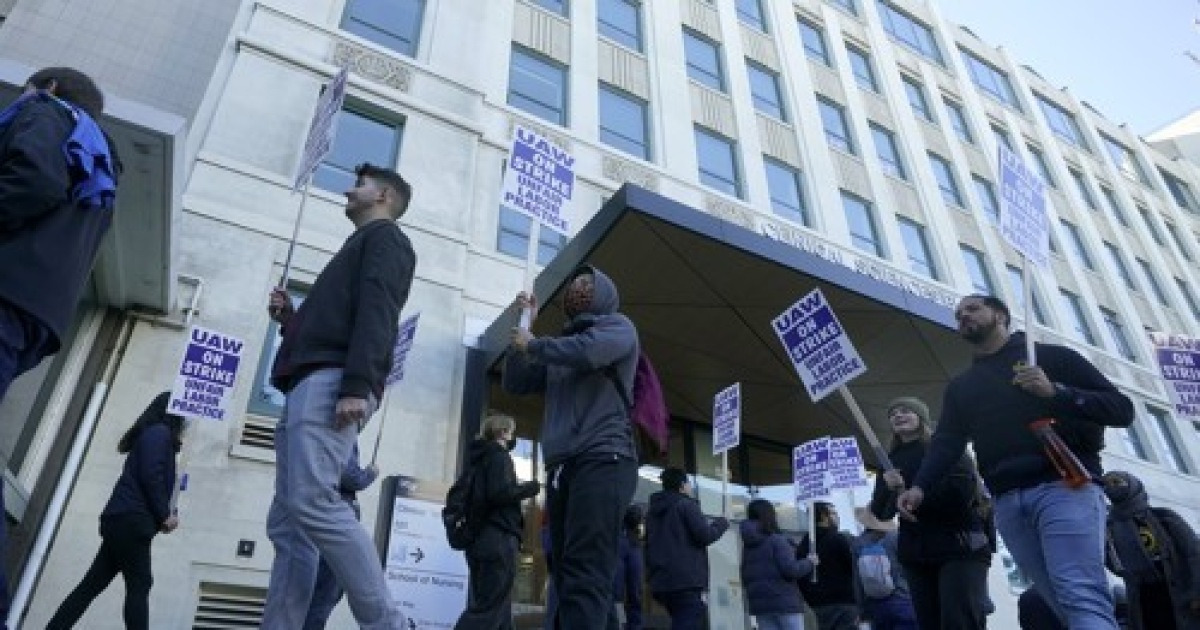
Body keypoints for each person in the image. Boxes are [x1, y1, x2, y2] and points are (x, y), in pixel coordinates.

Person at [896, 294, 1135, 630]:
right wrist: (919, 486)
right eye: (958, 314)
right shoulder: (962, 387)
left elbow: (1122, 410)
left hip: (1065, 488)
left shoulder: (1054, 358)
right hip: (1008, 502)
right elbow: (946, 444)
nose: (963, 316)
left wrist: (1057, 392)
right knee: (1058, 601)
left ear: (1001, 315)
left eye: (973, 309)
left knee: (1079, 593)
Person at [262, 162, 416, 630]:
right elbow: (334, 322)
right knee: (289, 525)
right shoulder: (356, 247)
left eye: (361, 184)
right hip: (311, 384)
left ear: (384, 196)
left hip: (332, 385)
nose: (349, 190)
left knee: (312, 503)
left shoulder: (386, 240)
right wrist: (290, 320)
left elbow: (378, 313)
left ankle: (386, 623)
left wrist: (357, 385)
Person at [0, 66, 117, 625]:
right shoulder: (102, 159)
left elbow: (32, 180)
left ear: (45, 87)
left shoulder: (48, 113)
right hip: (35, 316)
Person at [503, 265, 640, 630]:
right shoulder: (558, 352)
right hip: (564, 466)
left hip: (604, 458)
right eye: (574, 283)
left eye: (586, 284)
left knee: (584, 570)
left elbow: (589, 352)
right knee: (568, 572)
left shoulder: (618, 327)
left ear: (604, 294)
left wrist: (534, 344)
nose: (577, 289)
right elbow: (516, 381)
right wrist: (525, 324)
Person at [46, 392, 183, 629]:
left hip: (122, 521)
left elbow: (153, 477)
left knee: (92, 584)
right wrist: (164, 514)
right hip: (132, 520)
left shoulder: (153, 434)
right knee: (140, 583)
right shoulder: (159, 433)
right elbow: (150, 476)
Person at [869, 397, 990, 630]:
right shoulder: (889, 460)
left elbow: (961, 495)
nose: (898, 416)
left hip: (958, 547)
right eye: (893, 414)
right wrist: (890, 489)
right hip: (917, 553)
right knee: (928, 623)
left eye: (906, 411)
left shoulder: (944, 449)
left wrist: (915, 494)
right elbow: (881, 513)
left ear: (921, 417)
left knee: (958, 621)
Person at [454, 413, 540, 629]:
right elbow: (499, 492)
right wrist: (530, 487)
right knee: (489, 610)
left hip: (479, 539)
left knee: (495, 609)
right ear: (503, 431)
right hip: (498, 538)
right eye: (511, 430)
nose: (513, 436)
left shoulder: (478, 459)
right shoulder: (498, 456)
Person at [1102, 470, 1200, 630]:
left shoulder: (1164, 518)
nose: (1111, 487)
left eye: (1116, 482)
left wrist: (1197, 592)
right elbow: (1113, 563)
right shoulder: (1110, 528)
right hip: (1143, 598)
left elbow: (1193, 553)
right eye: (1107, 484)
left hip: (1179, 590)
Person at [302, 445, 379, 629]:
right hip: (336, 514)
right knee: (325, 594)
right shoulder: (342, 430)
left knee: (313, 594)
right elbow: (350, 477)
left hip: (315, 512)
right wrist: (371, 473)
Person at [644, 467, 729, 630]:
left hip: (661, 580)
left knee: (683, 619)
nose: (690, 487)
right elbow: (705, 535)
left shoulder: (652, 512)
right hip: (686, 580)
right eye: (689, 483)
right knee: (689, 620)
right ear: (682, 485)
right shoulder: (686, 505)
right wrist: (722, 523)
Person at [740, 498, 817, 630]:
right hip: (785, 604)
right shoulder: (777, 541)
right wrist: (809, 562)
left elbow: (745, 576)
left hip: (761, 607)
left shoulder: (747, 547)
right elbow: (791, 570)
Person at [852, 507, 917, 630]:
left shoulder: (858, 544)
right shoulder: (896, 537)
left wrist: (861, 610)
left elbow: (858, 581)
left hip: (876, 606)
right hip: (904, 599)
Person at [798, 502, 859, 630]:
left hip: (818, 604)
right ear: (824, 516)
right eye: (833, 513)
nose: (837, 517)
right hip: (843, 602)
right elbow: (853, 567)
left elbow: (801, 577)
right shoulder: (838, 539)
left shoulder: (804, 544)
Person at [614, 505, 644, 630]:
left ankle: (621, 624)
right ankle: (628, 625)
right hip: (631, 545)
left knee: (619, 596)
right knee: (632, 595)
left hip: (623, 545)